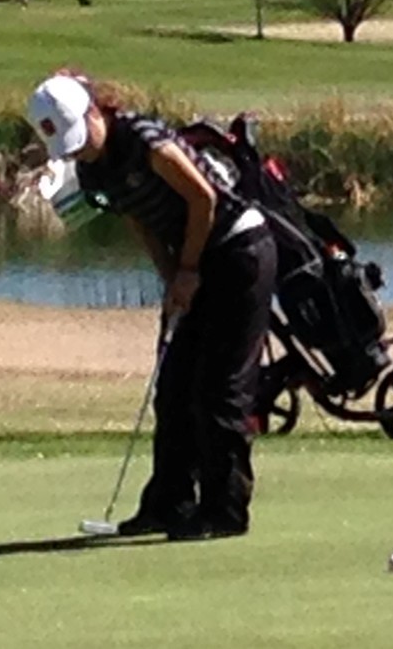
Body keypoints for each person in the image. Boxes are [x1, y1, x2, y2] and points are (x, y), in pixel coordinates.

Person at [27, 71, 276, 541]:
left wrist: (187, 269)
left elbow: (202, 201)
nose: (80, 149)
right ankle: (168, 505)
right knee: (174, 390)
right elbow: (141, 220)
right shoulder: (95, 167)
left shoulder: (147, 141)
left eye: (82, 135)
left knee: (218, 392)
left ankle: (224, 513)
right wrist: (170, 279)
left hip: (238, 252)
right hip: (193, 262)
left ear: (95, 111)